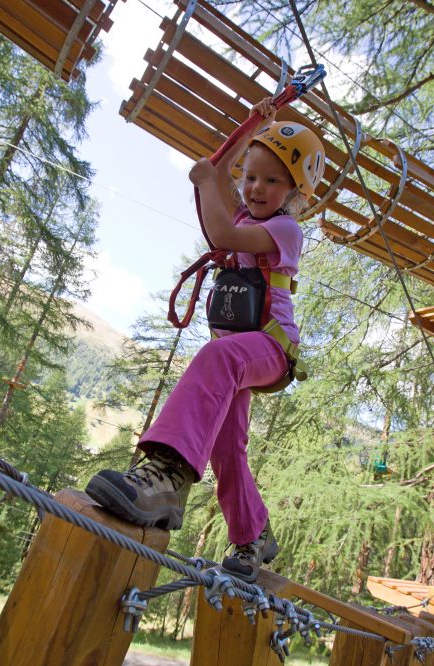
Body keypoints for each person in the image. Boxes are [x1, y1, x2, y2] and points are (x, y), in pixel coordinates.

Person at [86, 97, 325, 582]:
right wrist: (253, 128)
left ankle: (168, 474)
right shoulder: (247, 215)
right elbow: (218, 174)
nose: (256, 188)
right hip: (239, 355)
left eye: (272, 180)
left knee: (218, 356)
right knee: (227, 448)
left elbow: (219, 229)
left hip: (270, 347)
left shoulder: (285, 230)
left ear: (295, 192)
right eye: (251, 177)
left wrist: (206, 181)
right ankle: (253, 534)